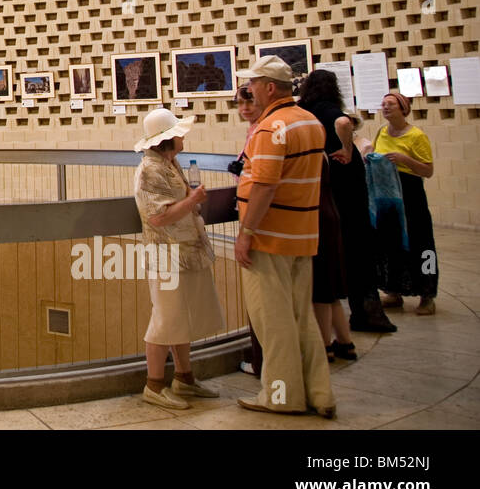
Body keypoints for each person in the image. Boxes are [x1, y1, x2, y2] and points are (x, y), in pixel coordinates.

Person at [233, 56, 336, 418]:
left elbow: (264, 184)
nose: (250, 91)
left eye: (254, 85)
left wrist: (246, 233)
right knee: (300, 318)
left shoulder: (270, 128)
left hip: (270, 238)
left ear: (270, 88)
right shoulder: (310, 122)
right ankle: (319, 392)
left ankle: (280, 396)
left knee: (272, 322)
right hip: (301, 235)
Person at [132, 108, 224, 410]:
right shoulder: (150, 169)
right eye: (178, 133)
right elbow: (158, 217)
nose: (184, 137)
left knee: (179, 316)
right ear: (167, 139)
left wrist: (190, 200)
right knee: (166, 317)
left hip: (184, 251)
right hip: (167, 254)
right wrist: (193, 200)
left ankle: (184, 377)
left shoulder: (169, 164)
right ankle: (154, 384)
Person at [298, 70, 395, 337]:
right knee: (357, 247)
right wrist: (347, 148)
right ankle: (365, 310)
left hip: (323, 187)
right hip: (348, 187)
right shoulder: (329, 109)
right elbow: (342, 122)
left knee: (330, 249)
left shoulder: (305, 110)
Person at [359, 92, 437, 315]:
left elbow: (428, 171)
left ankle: (428, 293)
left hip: (410, 193)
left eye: (390, 104)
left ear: (403, 108)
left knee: (422, 244)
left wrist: (405, 160)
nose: (385, 107)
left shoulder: (416, 136)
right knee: (390, 242)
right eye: (383, 104)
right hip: (387, 195)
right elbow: (375, 152)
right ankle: (393, 290)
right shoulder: (382, 131)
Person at [231, 85, 264, 377]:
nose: (245, 109)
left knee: (264, 300)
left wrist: (248, 231)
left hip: (262, 229)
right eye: (240, 104)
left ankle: (267, 366)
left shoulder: (264, 132)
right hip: (259, 225)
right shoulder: (257, 131)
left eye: (249, 102)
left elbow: (265, 183)